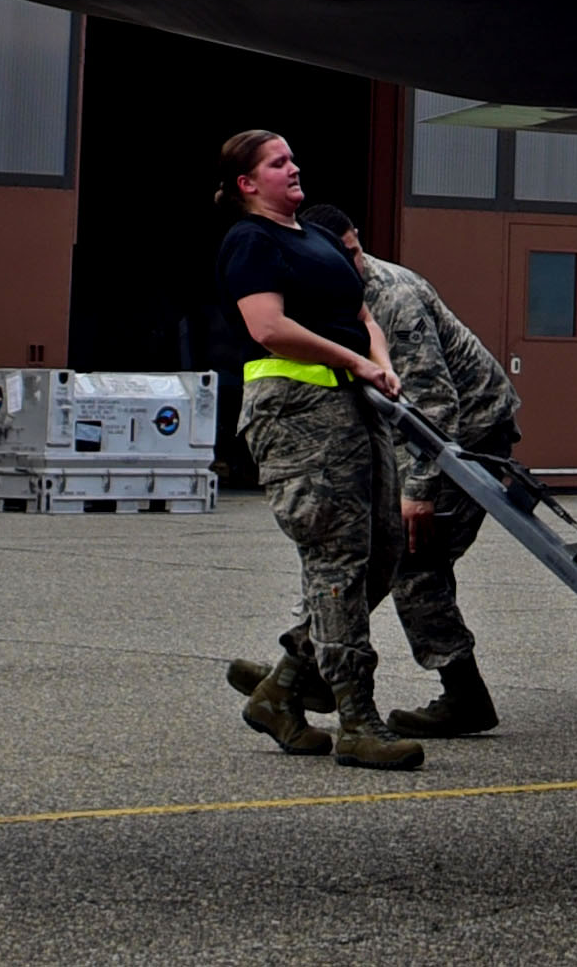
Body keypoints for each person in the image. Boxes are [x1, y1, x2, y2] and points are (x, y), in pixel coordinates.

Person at [233, 217, 514, 738]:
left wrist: (419, 492)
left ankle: (461, 697)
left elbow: (436, 403)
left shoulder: (392, 299)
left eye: (357, 252)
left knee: (410, 558)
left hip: (468, 437)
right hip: (413, 434)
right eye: (342, 258)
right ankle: (301, 673)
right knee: (361, 551)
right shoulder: (317, 295)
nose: (354, 266)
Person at [213, 127, 426, 769]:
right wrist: (353, 364)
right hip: (298, 410)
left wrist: (378, 361)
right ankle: (358, 720)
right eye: (279, 163)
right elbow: (269, 327)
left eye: (293, 158)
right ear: (249, 184)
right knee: (337, 557)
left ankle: (281, 688)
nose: (294, 167)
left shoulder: (323, 241)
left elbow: (364, 316)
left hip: (356, 405)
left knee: (384, 550)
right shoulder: (251, 240)